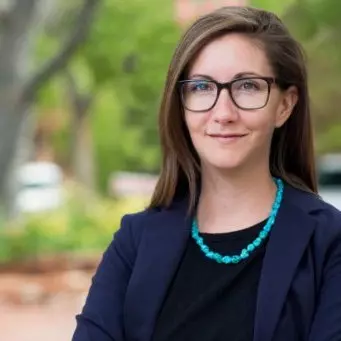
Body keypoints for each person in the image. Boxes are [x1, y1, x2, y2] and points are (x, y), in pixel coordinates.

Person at [72, 6, 341, 341]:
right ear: (181, 103)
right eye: (201, 88)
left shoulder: (329, 243)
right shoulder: (135, 241)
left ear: (284, 105)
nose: (223, 112)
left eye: (247, 86)